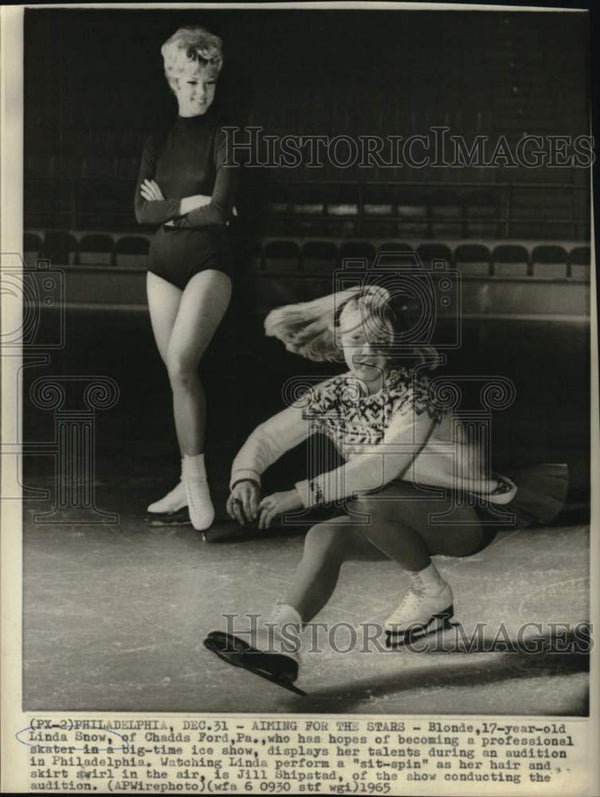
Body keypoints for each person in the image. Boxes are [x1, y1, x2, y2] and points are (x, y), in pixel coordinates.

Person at [205, 285, 569, 691]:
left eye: (378, 341)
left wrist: (299, 494)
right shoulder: (333, 395)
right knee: (325, 536)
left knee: (367, 499)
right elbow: (266, 438)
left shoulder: (417, 395)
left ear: (393, 345)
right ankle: (279, 637)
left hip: (467, 515)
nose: (366, 350)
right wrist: (245, 477)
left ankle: (431, 592)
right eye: (356, 338)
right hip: (405, 511)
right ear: (337, 338)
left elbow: (379, 467)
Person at [135, 26, 239, 531]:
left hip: (208, 264)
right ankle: (185, 481)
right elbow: (139, 212)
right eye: (192, 82)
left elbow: (220, 212)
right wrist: (184, 206)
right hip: (161, 269)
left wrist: (168, 211)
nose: (201, 92)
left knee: (181, 362)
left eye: (209, 83)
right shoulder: (156, 141)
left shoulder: (226, 138)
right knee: (179, 376)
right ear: (174, 81)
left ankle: (197, 486)